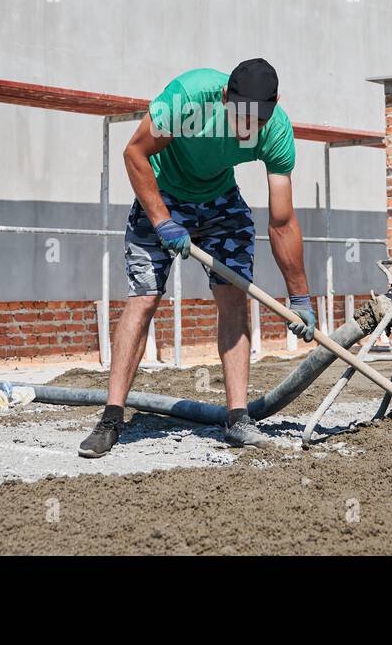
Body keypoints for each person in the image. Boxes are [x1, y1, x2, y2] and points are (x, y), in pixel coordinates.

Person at [79, 59, 316, 457]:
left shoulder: (275, 130)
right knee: (145, 298)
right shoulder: (189, 98)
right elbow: (134, 153)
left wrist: (300, 297)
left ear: (275, 104)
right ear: (225, 97)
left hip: (221, 201)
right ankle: (111, 417)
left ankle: (238, 418)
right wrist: (162, 221)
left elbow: (282, 220)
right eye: (240, 117)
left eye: (257, 120)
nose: (247, 129)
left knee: (234, 297)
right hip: (163, 192)